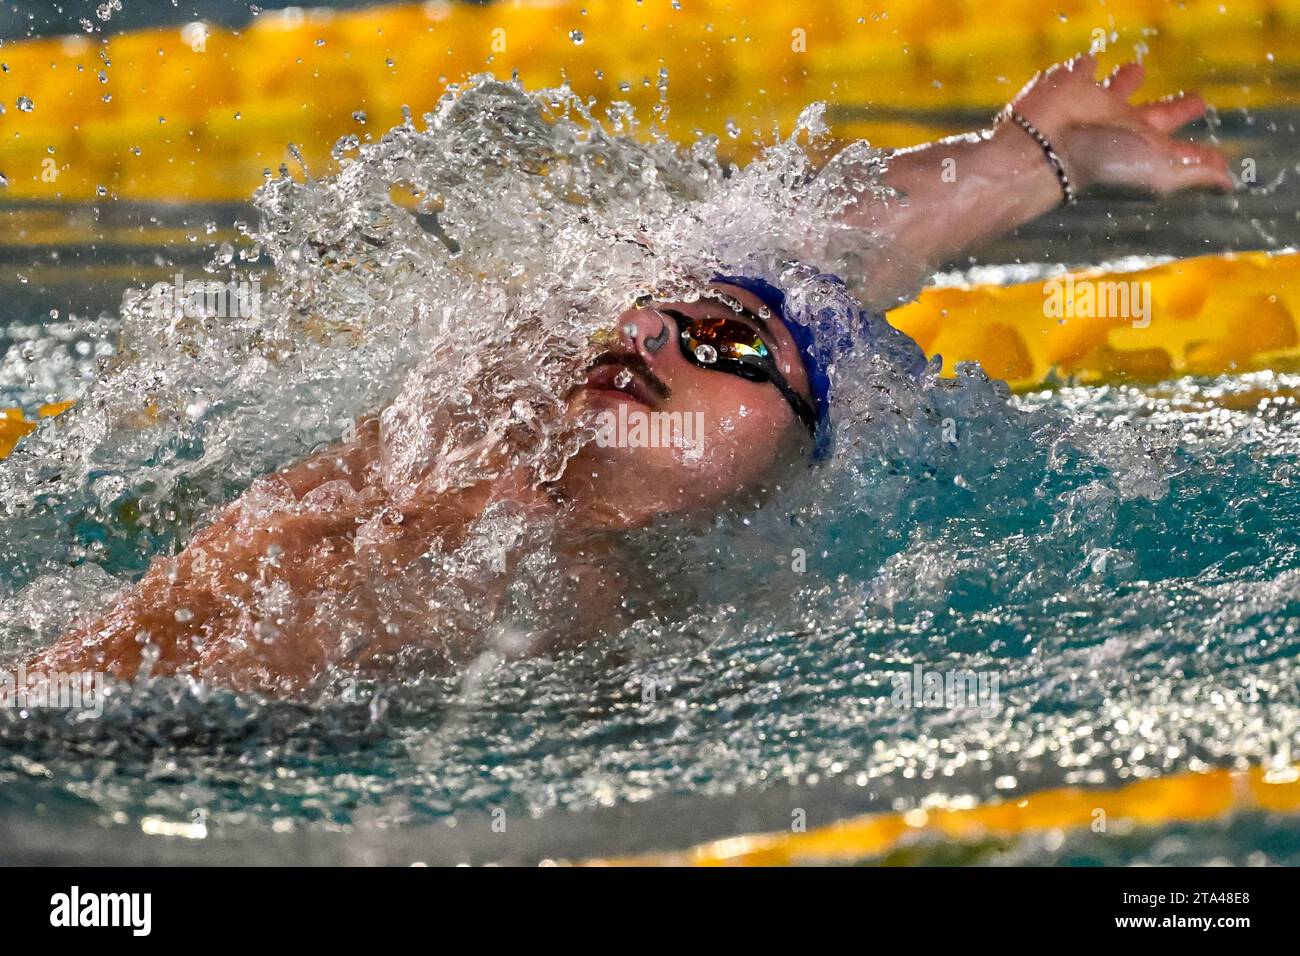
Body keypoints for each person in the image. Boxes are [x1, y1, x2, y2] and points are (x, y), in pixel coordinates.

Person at [26, 56, 1231, 694]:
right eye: (658, 321)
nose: (657, 341)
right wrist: (1015, 159)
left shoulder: (633, 627)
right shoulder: (478, 413)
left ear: (802, 458)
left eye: (726, 346)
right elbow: (780, 240)